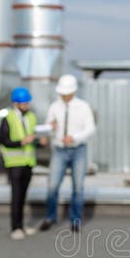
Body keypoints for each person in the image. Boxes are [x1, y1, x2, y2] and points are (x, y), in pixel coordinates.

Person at [38, 74, 96, 232]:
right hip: (59, 150)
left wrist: (74, 137)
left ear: (73, 91)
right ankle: (50, 217)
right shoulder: (54, 107)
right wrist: (48, 131)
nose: (64, 96)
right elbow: (49, 127)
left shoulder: (83, 107)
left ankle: (75, 220)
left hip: (78, 150)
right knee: (52, 186)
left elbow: (90, 129)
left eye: (66, 93)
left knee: (78, 187)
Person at [0, 87, 46, 241]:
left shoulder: (32, 117)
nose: (27, 105)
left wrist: (40, 142)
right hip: (14, 164)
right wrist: (21, 142)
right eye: (24, 103)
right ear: (16, 103)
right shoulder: (8, 118)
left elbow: (34, 137)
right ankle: (16, 227)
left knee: (23, 196)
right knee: (16, 196)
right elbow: (4, 140)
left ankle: (22, 225)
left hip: (28, 162)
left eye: (27, 103)